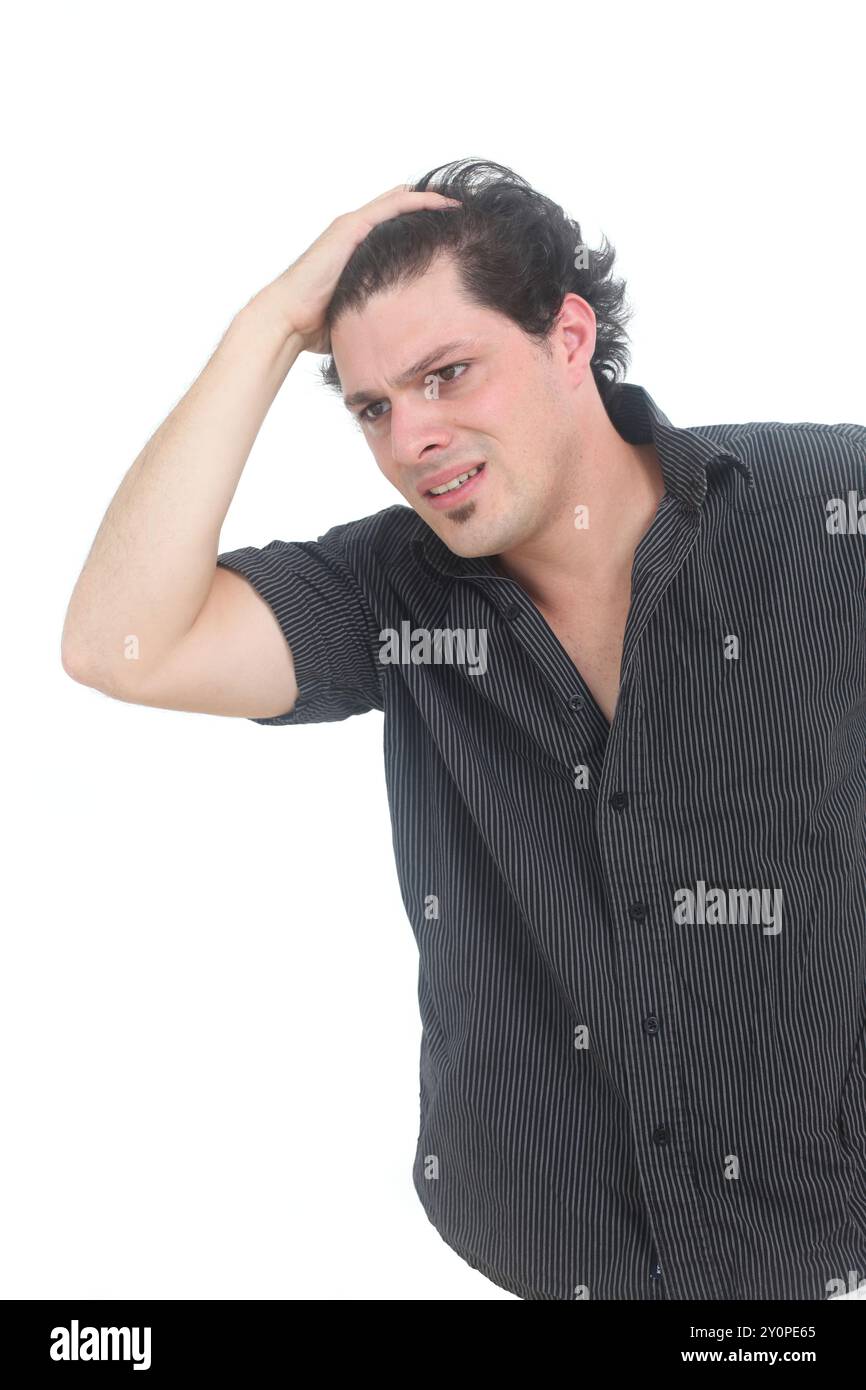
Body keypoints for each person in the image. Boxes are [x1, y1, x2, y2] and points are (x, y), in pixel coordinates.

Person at [61, 159, 866, 1301]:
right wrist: (269, 321)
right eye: (374, 407)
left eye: (448, 374)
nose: (411, 439)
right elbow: (118, 646)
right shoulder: (389, 594)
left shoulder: (827, 507)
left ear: (567, 335)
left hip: (825, 1246)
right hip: (545, 1248)